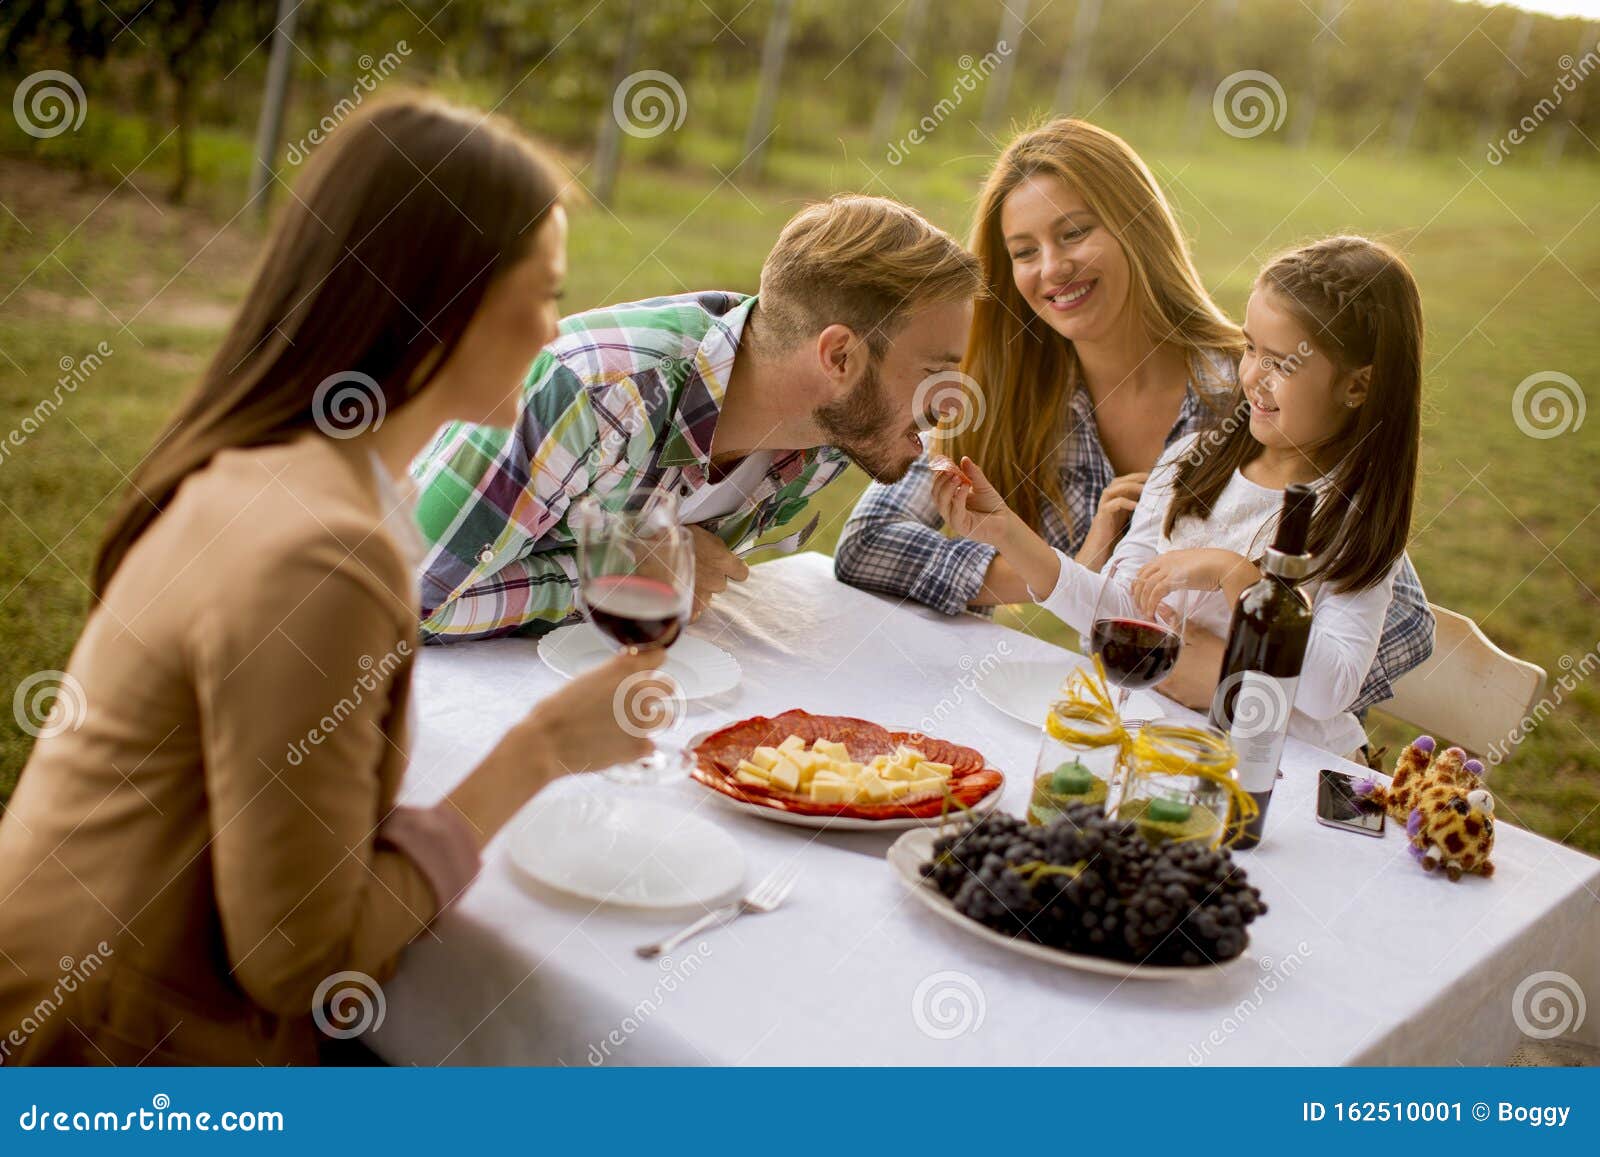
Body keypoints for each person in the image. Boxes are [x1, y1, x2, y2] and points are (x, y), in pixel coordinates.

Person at [0, 96, 668, 1066]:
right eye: (547, 292)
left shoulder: (279, 465)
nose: (556, 332)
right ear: (442, 299)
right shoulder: (325, 554)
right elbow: (304, 964)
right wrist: (542, 748)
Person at [834, 119, 1433, 717]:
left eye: (1074, 233)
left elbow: (1405, 623)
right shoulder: (1002, 393)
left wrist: (1229, 669)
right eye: (1024, 252)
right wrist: (1067, 566)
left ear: (1134, 227)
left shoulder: (1252, 393)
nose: (1052, 268)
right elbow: (868, 544)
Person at [933, 236, 1426, 759]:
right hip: (1170, 741)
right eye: (1251, 348)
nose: (1254, 376)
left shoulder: (1353, 523)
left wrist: (1236, 577)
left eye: (1282, 363)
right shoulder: (1190, 463)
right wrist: (1007, 532)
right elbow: (1119, 610)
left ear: (1356, 388)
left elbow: (1330, 691)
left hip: (1288, 769)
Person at [410, 194, 983, 641]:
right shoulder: (593, 396)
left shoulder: (831, 434)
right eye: (935, 369)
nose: (949, 398)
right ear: (838, 357)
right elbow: (404, 602)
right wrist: (608, 573)